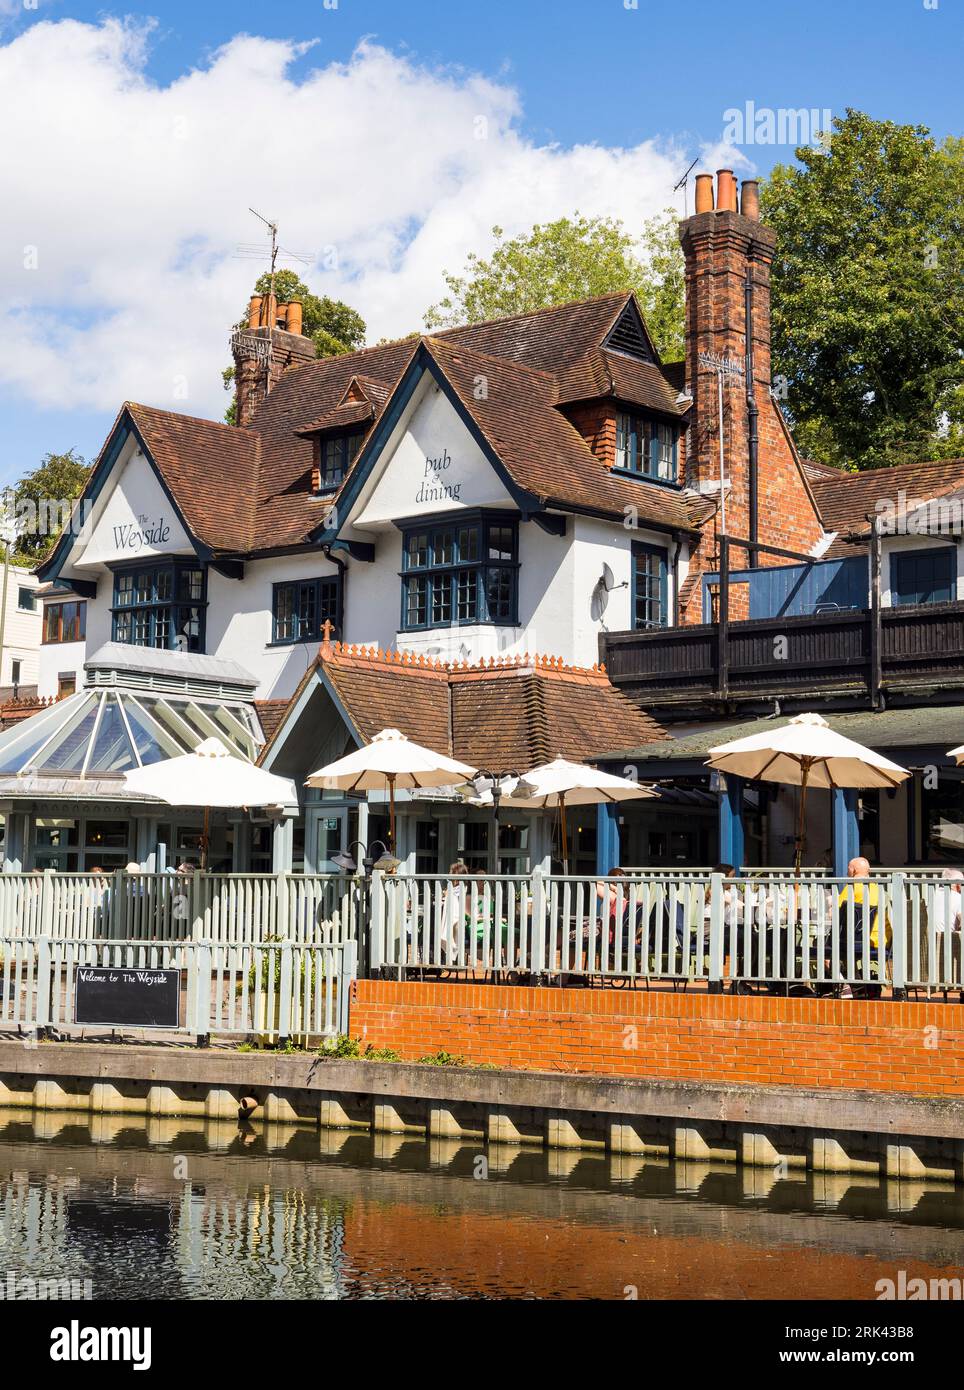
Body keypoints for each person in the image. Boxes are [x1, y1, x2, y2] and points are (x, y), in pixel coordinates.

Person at [836, 856, 891, 999]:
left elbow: (837, 911)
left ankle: (854, 986)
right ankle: (861, 986)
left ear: (852, 870)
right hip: (882, 939)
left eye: (848, 867)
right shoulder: (878, 888)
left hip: (861, 940)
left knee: (830, 952)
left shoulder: (852, 887)